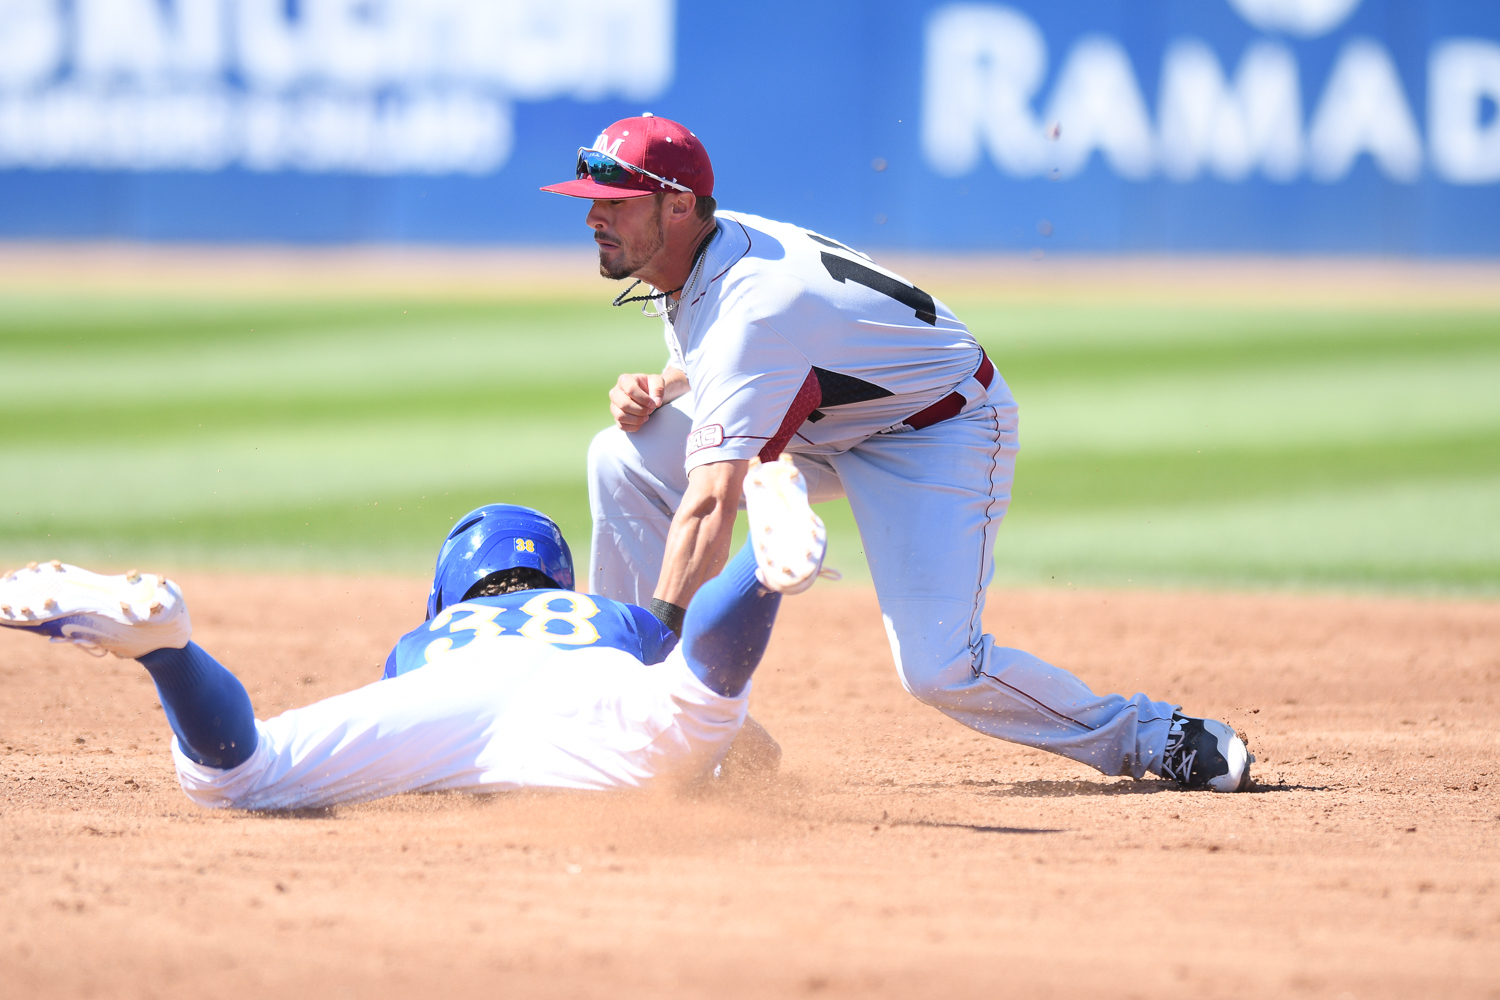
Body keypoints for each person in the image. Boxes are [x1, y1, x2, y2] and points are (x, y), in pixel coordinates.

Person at [542, 114, 1252, 793]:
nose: (592, 218)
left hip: (937, 432)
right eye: (592, 201)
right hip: (833, 418)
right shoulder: (706, 254)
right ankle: (700, 734)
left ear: (678, 206)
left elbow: (710, 502)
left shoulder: (748, 304)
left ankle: (1153, 737)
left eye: (616, 202)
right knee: (622, 456)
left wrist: (654, 637)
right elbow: (736, 355)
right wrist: (663, 382)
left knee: (941, 668)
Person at [0, 459, 824, 810]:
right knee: (700, 703)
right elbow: (750, 751)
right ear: (559, 581)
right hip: (593, 695)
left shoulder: (420, 642)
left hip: (441, 702)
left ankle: (168, 648)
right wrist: (737, 748)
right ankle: (759, 557)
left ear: (446, 591)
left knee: (242, 774)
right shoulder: (614, 618)